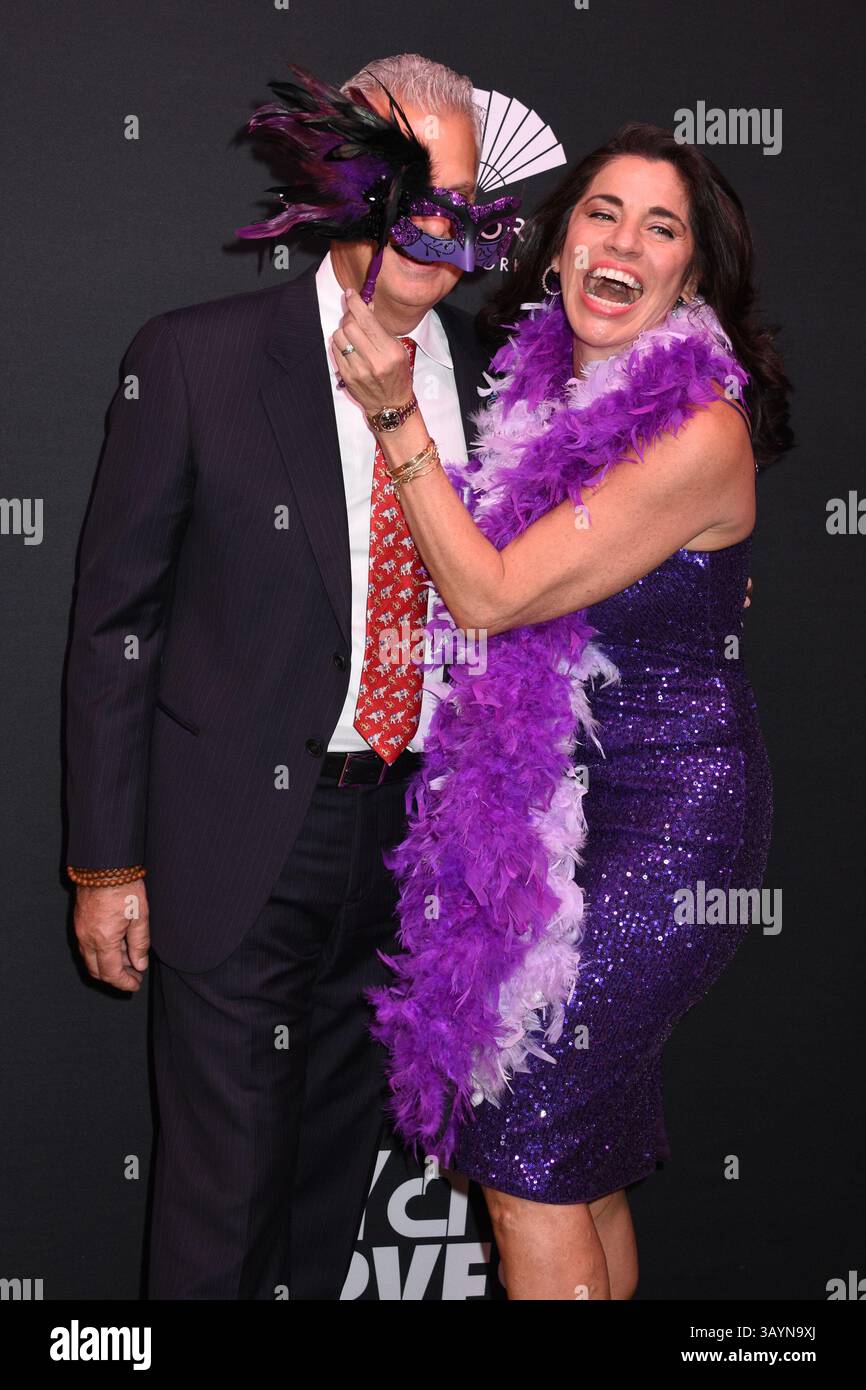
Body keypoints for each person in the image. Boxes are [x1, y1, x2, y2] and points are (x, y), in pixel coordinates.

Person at [333, 122, 792, 1300]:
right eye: (602, 212)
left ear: (689, 276)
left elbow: (486, 593)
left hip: (667, 822)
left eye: (660, 227)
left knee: (528, 1140)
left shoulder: (699, 430)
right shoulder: (540, 396)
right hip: (563, 809)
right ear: (556, 246)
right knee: (578, 1161)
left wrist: (396, 419)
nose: (622, 242)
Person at [63, 53, 494, 1300]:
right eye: (407, 187)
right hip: (244, 839)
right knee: (219, 1203)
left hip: (419, 848)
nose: (438, 228)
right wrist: (107, 863)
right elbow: (114, 625)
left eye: (463, 200)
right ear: (335, 179)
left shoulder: (488, 370)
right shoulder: (196, 359)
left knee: (326, 1193)